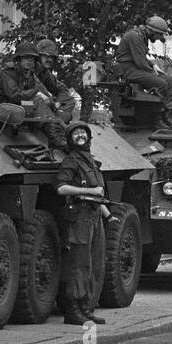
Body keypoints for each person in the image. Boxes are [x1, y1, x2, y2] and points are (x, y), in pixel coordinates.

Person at [55, 122, 111, 326]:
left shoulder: (91, 162)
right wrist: (89, 192)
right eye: (76, 133)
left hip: (95, 217)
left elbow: (99, 193)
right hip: (79, 218)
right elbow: (61, 188)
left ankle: (87, 309)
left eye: (83, 133)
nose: (80, 136)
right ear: (70, 139)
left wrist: (107, 214)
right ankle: (72, 311)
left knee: (95, 265)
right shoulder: (71, 161)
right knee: (79, 265)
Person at [0, 41, 67, 152]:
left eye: (32, 58)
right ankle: (55, 136)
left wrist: (54, 107)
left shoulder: (29, 74)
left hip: (19, 107)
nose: (30, 61)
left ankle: (64, 135)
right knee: (38, 100)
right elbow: (15, 95)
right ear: (18, 59)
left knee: (42, 102)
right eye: (26, 58)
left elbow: (43, 91)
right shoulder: (7, 72)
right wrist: (35, 92)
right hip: (3, 108)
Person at [114, 15, 172, 125]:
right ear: (151, 31)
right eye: (159, 34)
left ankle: (167, 115)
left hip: (136, 68)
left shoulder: (143, 36)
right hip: (128, 70)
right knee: (161, 84)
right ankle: (156, 120)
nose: (159, 38)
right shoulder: (135, 37)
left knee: (169, 81)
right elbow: (140, 62)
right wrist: (153, 71)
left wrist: (153, 65)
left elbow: (141, 58)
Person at [35, 39, 82, 123]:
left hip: (49, 105)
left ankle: (56, 117)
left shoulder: (46, 73)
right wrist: (50, 99)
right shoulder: (29, 70)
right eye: (46, 56)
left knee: (70, 100)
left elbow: (62, 88)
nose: (49, 59)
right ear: (39, 56)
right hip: (30, 103)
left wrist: (57, 104)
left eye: (52, 57)